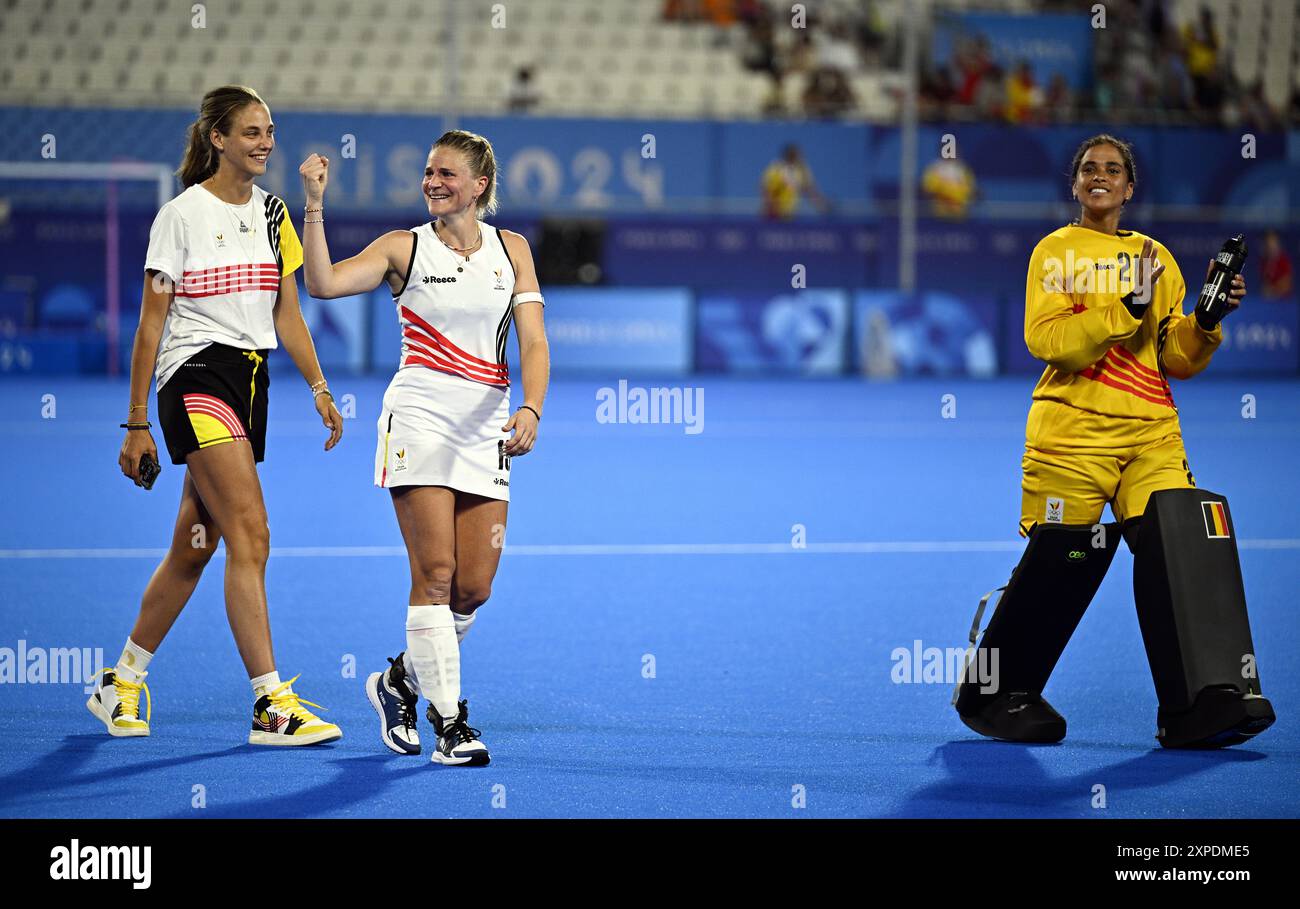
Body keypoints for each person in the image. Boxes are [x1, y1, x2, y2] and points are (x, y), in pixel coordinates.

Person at [953, 134, 1273, 748]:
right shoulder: (1054, 252)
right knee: (1061, 564)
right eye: (1089, 169)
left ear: (1129, 187)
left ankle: (1198, 703)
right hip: (1070, 436)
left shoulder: (1158, 256)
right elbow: (1048, 340)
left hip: (1151, 432)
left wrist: (1206, 322)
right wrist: (1122, 309)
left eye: (1114, 169)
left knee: (1180, 551)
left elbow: (1174, 357)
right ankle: (996, 696)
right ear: (1075, 185)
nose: (1100, 176)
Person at [92, 85, 345, 746]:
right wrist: (136, 423)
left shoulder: (274, 214)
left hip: (249, 382)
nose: (265, 142)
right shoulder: (179, 216)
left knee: (193, 548)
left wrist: (318, 385)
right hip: (194, 375)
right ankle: (270, 704)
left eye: (270, 131)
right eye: (252, 132)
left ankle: (120, 680)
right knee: (251, 530)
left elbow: (286, 311)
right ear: (218, 140)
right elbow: (151, 326)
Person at [298, 129, 550, 766]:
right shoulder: (401, 247)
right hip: (418, 420)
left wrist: (531, 406)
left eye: (447, 174)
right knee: (435, 576)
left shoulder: (512, 249)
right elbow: (323, 284)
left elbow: (535, 344)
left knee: (474, 588)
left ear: (479, 185)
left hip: (487, 426)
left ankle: (397, 683)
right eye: (429, 173)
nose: (433, 183)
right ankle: (452, 724)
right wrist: (315, 203)